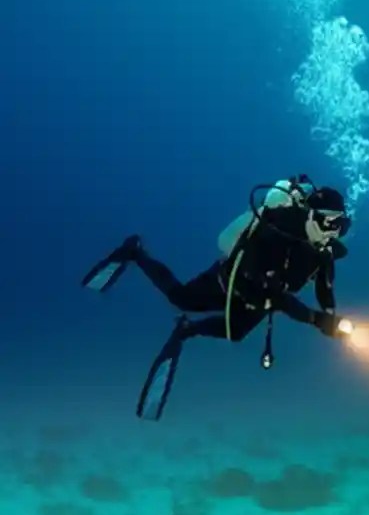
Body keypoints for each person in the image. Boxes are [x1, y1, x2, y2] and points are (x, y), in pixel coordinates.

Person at [81, 175, 353, 420]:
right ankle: (136, 252)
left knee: (235, 333)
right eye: (328, 222)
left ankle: (187, 329)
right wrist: (317, 320)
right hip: (229, 282)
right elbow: (277, 296)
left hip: (264, 300)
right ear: (310, 216)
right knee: (180, 297)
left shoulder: (324, 249)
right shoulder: (275, 232)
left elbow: (324, 286)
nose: (332, 232)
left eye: (341, 225)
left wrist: (330, 316)